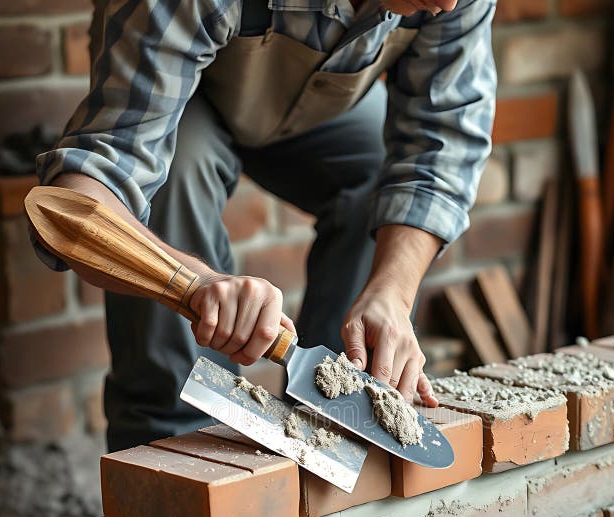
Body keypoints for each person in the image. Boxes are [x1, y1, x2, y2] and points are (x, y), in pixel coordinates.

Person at [34, 0, 496, 452]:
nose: (449, 2)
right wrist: (195, 285)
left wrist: (393, 294)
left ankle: (331, 427)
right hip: (175, 102)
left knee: (386, 177)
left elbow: (442, 149)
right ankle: (180, 441)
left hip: (313, 112)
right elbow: (75, 207)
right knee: (176, 176)